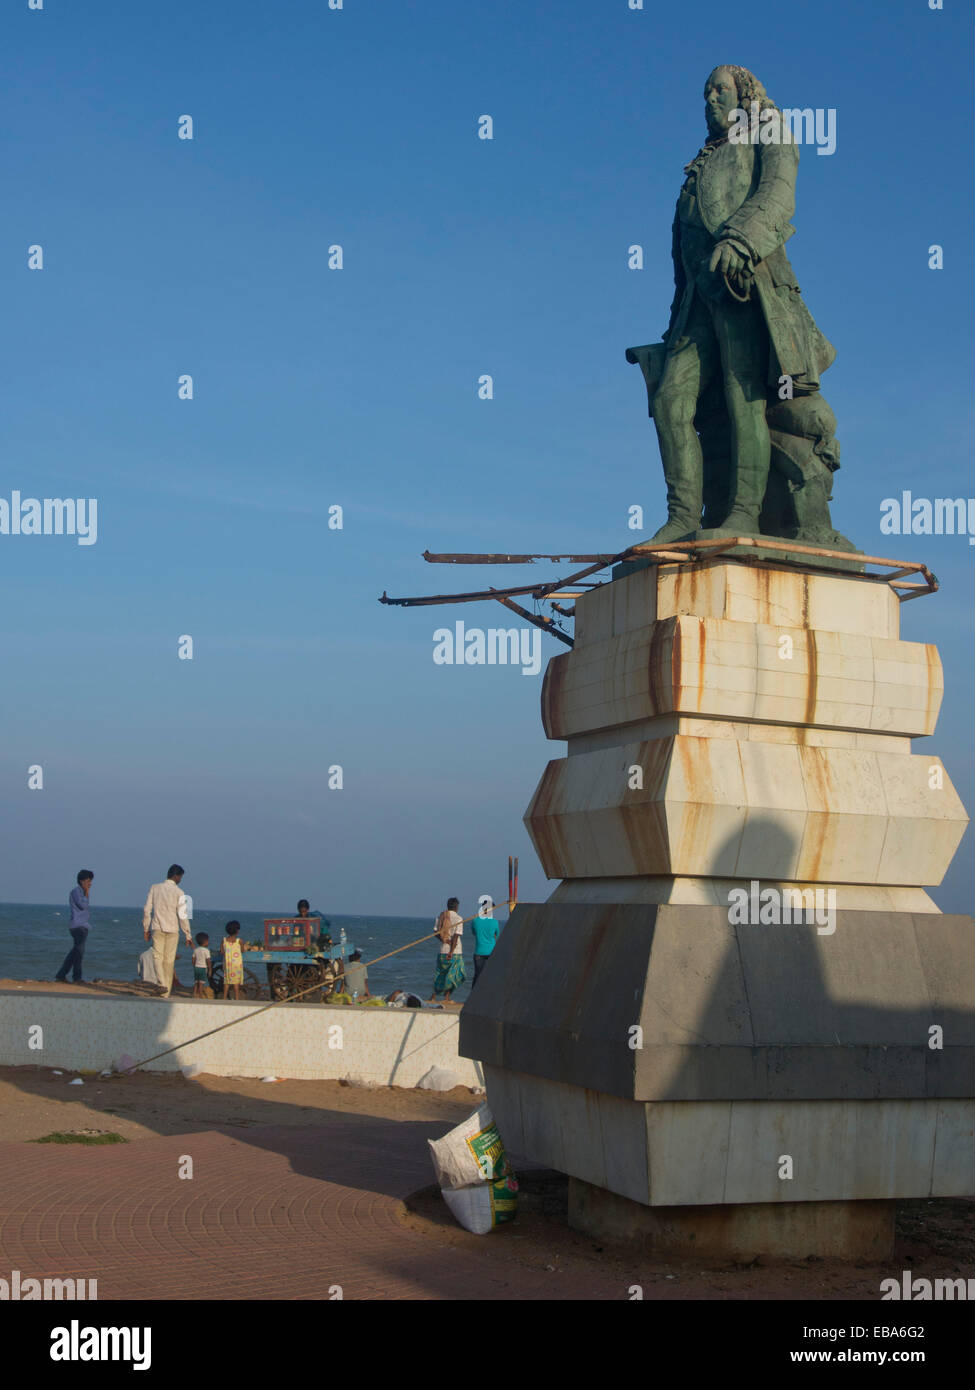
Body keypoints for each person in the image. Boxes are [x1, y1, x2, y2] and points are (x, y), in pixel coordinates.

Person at [647, 65, 835, 542]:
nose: (710, 99)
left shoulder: (766, 131)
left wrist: (740, 240)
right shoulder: (704, 158)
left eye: (720, 90)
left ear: (743, 94)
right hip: (697, 298)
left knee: (742, 392)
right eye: (705, 92)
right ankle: (683, 518)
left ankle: (743, 514)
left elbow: (779, 193)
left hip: (745, 284)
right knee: (670, 399)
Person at [142, 864, 192, 999]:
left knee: (157, 956)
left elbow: (147, 910)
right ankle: (166, 993)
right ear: (176, 876)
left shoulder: (155, 888)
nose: (181, 879)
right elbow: (183, 916)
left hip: (157, 927)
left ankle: (162, 984)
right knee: (169, 961)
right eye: (180, 877)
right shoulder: (180, 893)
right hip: (173, 929)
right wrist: (188, 934)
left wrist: (146, 928)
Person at [55, 870, 94, 984]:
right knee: (79, 952)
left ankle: (61, 975)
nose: (90, 884)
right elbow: (83, 905)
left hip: (83, 926)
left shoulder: (83, 892)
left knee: (75, 952)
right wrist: (87, 893)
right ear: (81, 881)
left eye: (90, 881)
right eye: (88, 881)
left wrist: (86, 893)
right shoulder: (76, 892)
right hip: (77, 927)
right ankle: (77, 978)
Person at [428, 896, 466, 1004]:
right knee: (457, 974)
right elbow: (456, 937)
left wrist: (444, 940)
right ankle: (447, 997)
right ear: (456, 907)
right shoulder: (458, 918)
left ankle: (433, 997)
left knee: (440, 973)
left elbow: (436, 932)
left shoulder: (441, 917)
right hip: (455, 952)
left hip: (442, 950)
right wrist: (451, 951)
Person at [471, 895, 500, 988]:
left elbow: (474, 933)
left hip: (479, 952)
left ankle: (473, 995)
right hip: (491, 951)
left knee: (477, 975)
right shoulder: (495, 922)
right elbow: (497, 935)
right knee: (489, 976)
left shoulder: (475, 921)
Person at [222, 921, 244, 1000]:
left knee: (227, 981)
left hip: (227, 964)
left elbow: (221, 951)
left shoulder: (224, 940)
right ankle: (236, 998)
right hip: (237, 965)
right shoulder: (239, 941)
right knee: (236, 983)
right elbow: (243, 951)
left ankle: (224, 997)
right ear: (237, 931)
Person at [192, 932, 212, 998]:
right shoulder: (206, 951)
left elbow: (193, 959)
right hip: (203, 968)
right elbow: (208, 961)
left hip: (196, 968)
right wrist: (210, 969)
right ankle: (200, 995)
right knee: (201, 983)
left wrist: (194, 965)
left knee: (196, 982)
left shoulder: (196, 950)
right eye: (208, 941)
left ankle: (194, 994)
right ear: (205, 941)